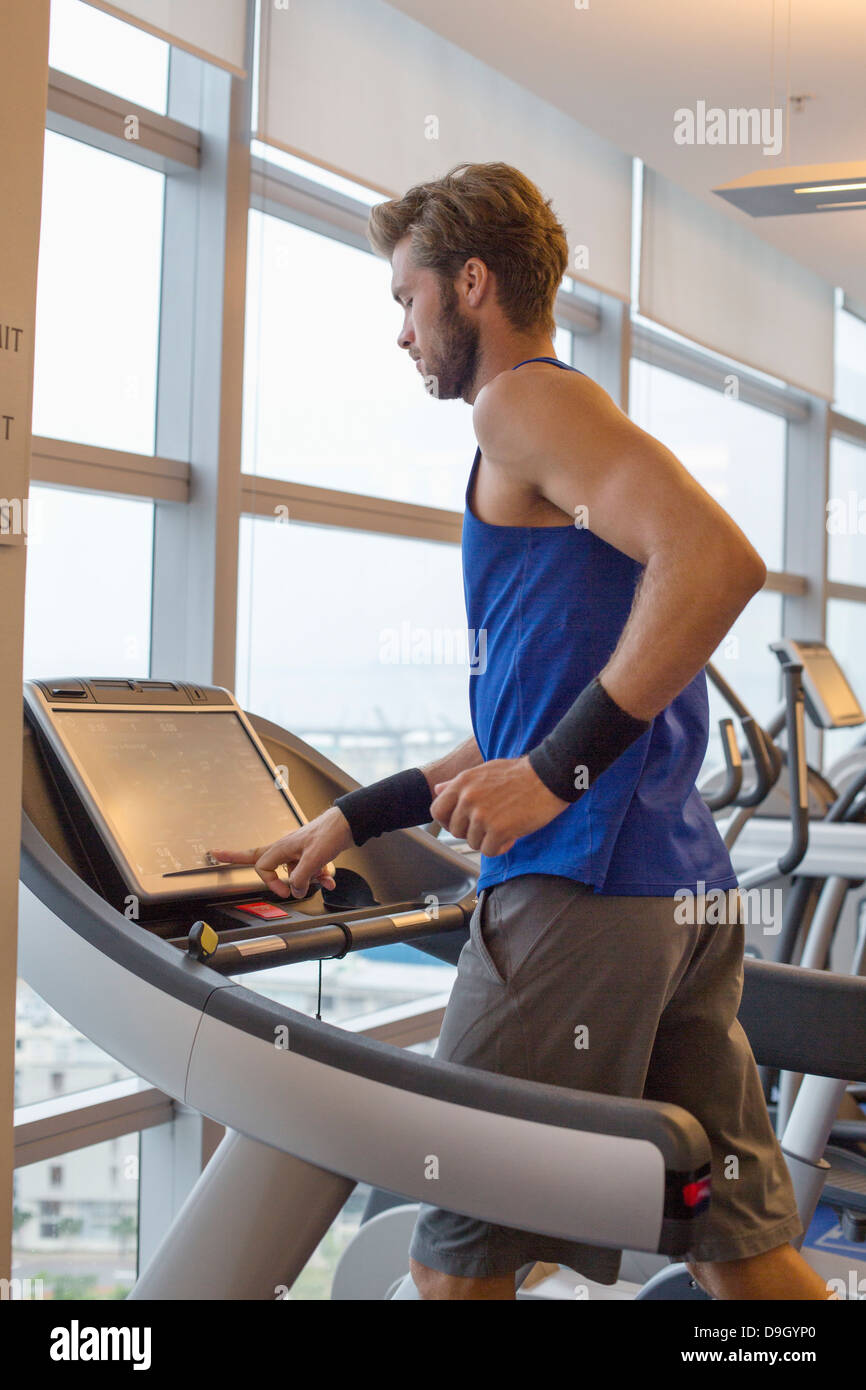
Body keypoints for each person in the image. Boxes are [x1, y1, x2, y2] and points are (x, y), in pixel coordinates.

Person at [214, 162, 833, 1301]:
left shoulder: (518, 405)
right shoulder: (558, 427)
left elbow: (717, 563)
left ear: (473, 284)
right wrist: (351, 819)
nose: (402, 333)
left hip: (577, 896)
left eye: (408, 299)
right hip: (672, 897)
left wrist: (552, 777)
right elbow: (515, 726)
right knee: (742, 1254)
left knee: (456, 1267)